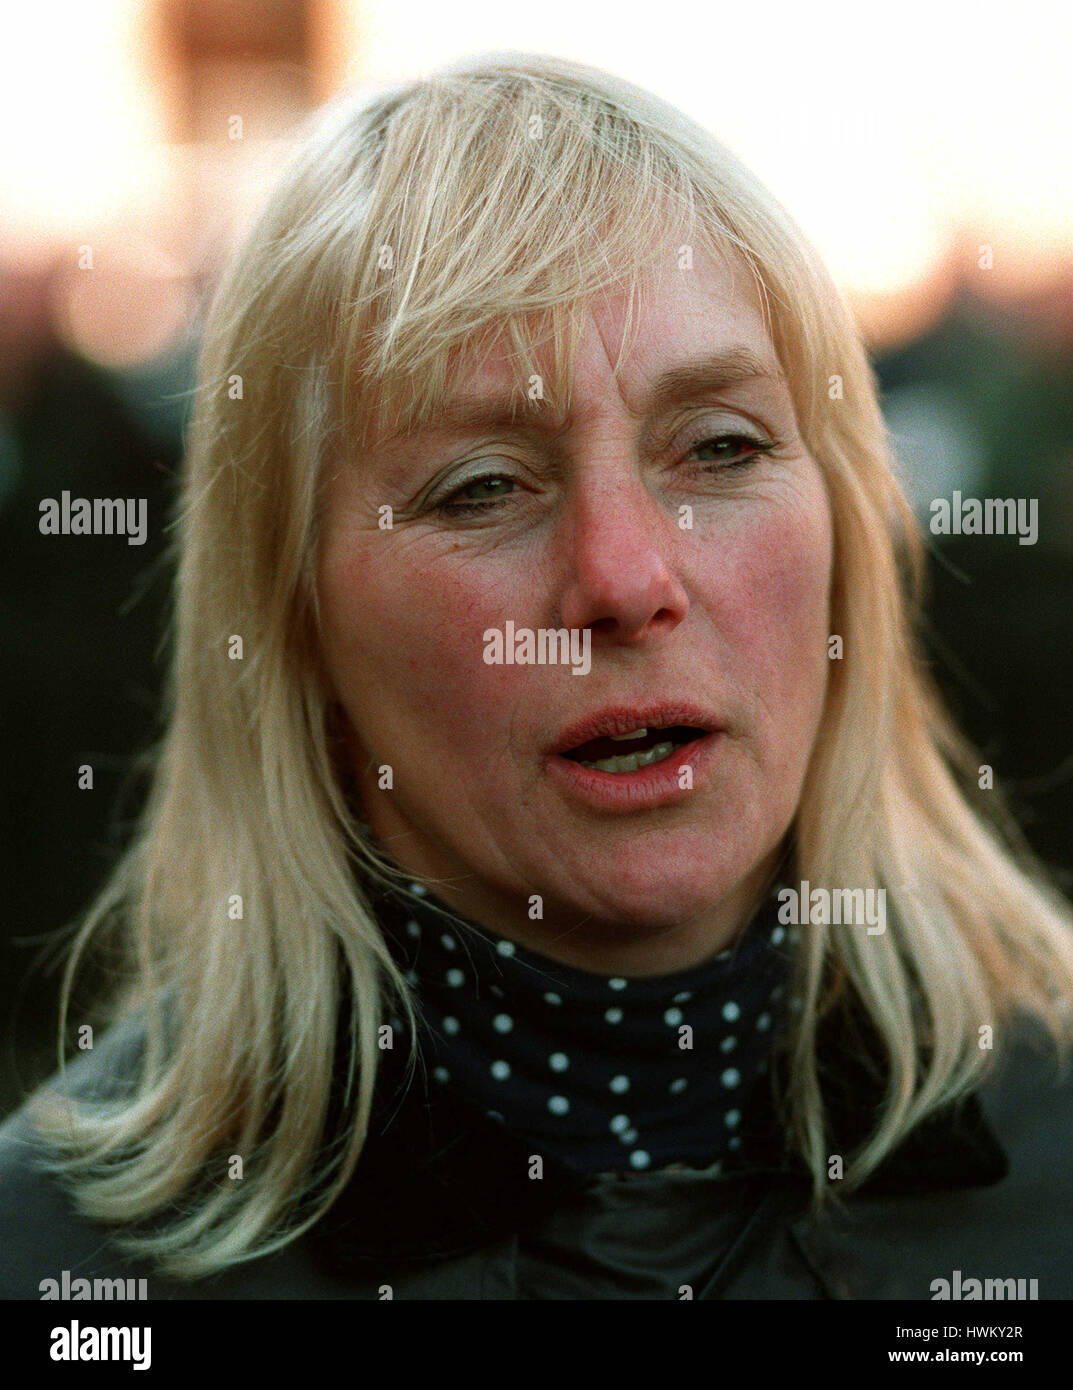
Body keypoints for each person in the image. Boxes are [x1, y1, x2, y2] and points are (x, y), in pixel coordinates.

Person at [2, 50, 1072, 1302]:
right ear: (294, 622)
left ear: (844, 533)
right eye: (482, 488)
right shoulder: (63, 1270)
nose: (624, 578)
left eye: (719, 449)